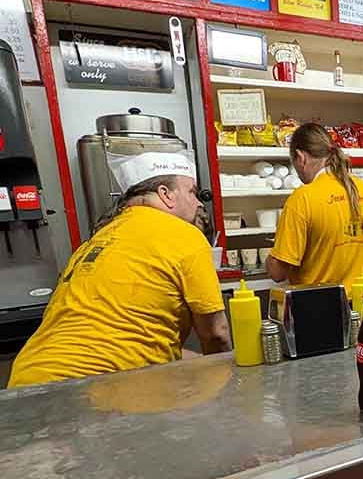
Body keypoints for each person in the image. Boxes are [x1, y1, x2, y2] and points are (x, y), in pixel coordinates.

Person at [8, 152, 230, 389]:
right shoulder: (184, 235)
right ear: (166, 195)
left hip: (26, 381)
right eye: (192, 192)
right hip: (98, 388)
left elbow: (126, 341)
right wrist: (227, 384)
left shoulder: (96, 241)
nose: (198, 202)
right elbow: (216, 334)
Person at [267, 122, 363, 293]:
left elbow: (277, 272)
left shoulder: (302, 198)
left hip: (319, 309)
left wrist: (272, 256)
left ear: (301, 157)